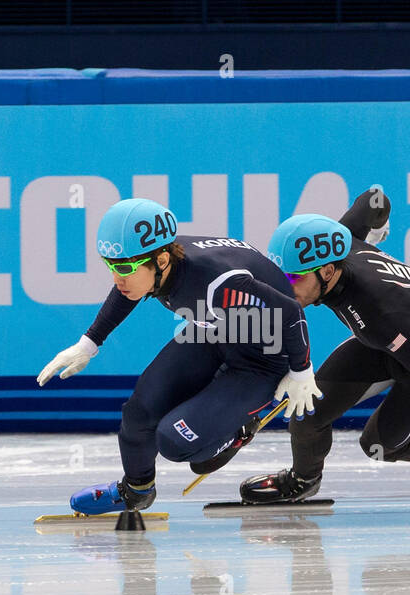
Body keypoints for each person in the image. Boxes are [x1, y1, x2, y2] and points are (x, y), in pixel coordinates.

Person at [38, 198, 317, 515]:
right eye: (111, 266)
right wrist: (89, 342)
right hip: (214, 334)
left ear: (160, 260)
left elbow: (290, 311)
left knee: (179, 445)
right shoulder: (158, 263)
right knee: (138, 415)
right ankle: (135, 492)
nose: (117, 278)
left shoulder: (218, 282)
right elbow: (129, 287)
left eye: (125, 268)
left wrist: (301, 371)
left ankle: (241, 429)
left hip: (262, 360)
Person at [238, 189, 410, 520]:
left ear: (327, 272)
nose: (285, 288)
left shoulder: (377, 311)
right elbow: (375, 198)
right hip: (392, 341)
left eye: (293, 278)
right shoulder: (340, 242)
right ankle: (304, 480)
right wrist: (378, 227)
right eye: (280, 277)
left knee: (379, 446)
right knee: (306, 411)